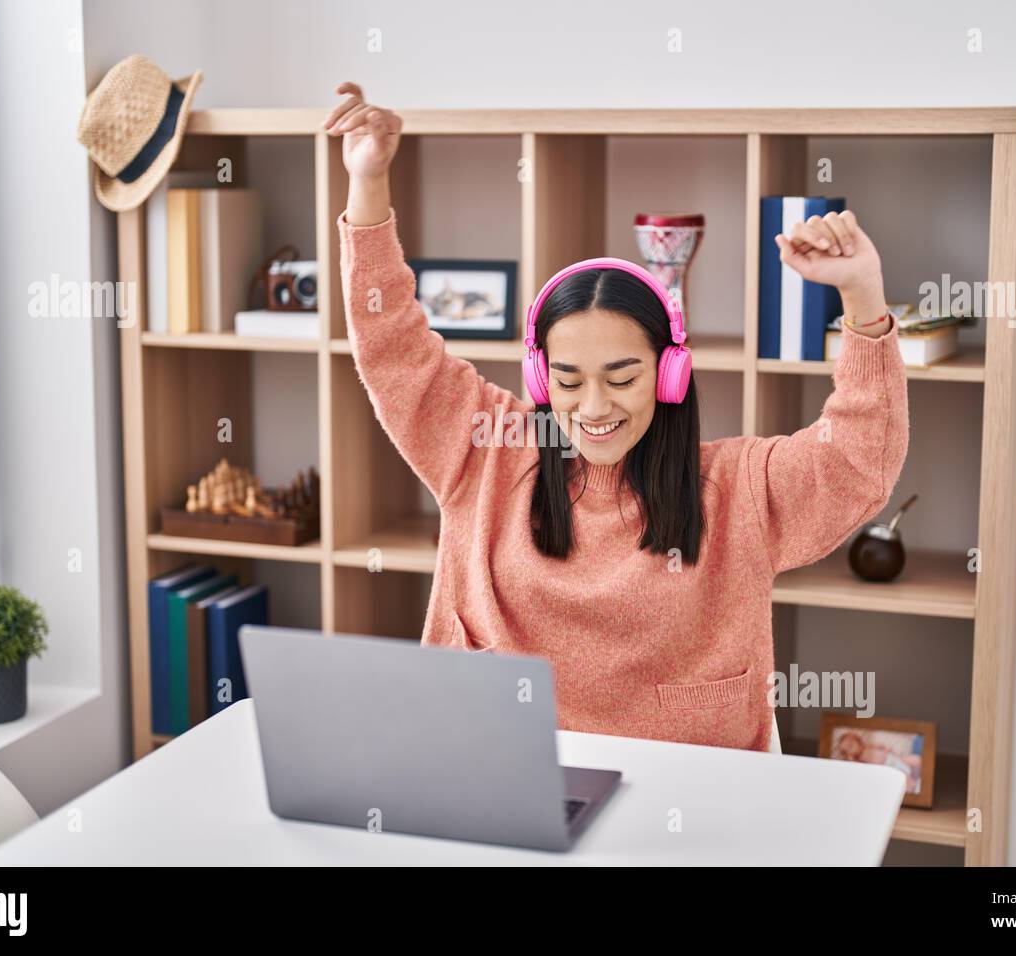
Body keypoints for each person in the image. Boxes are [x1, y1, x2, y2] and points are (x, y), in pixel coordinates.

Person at [324, 82, 908, 752]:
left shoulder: (741, 489)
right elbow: (392, 344)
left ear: (669, 374)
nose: (593, 409)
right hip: (492, 779)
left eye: (623, 377)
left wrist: (863, 297)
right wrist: (367, 184)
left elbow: (858, 459)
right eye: (568, 381)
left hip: (680, 811)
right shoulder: (486, 449)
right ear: (540, 377)